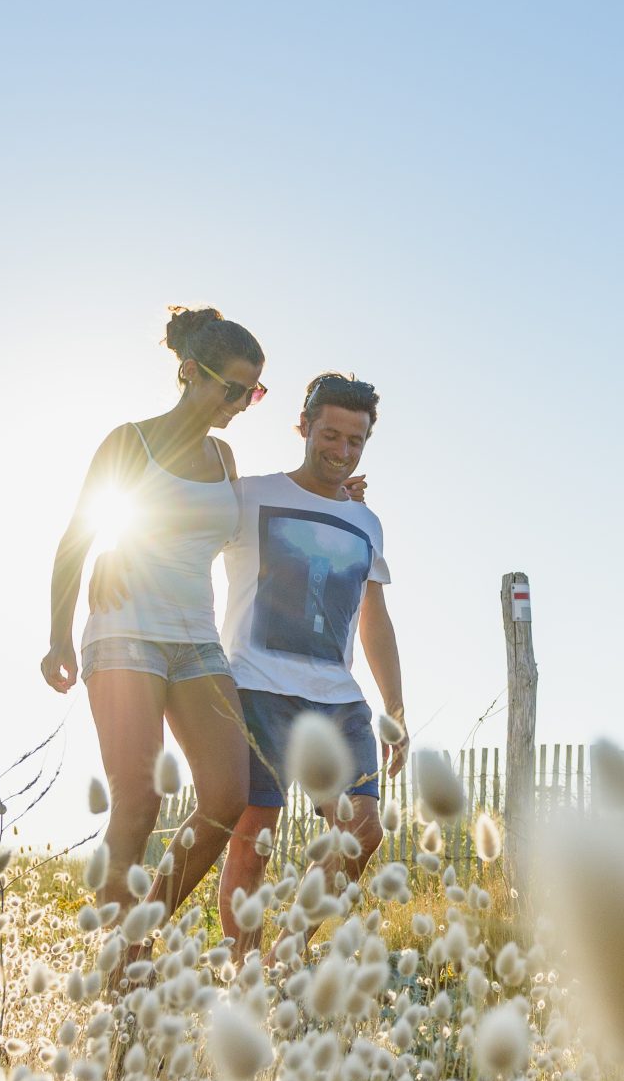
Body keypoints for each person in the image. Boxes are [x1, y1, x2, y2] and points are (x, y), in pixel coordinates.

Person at [40, 306, 264, 912]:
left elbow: (240, 534)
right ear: (191, 372)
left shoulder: (224, 461)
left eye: (253, 393)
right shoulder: (128, 441)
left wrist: (336, 496)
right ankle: (118, 972)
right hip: (124, 632)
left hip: (196, 637)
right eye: (234, 388)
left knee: (226, 794)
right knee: (138, 799)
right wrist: (59, 638)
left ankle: (139, 934)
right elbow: (76, 541)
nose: (241, 403)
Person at [214, 374, 406, 935]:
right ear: (303, 426)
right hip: (256, 688)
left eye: (355, 441)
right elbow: (177, 541)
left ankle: (283, 963)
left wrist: (395, 706)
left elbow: (375, 619)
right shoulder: (248, 495)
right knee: (256, 843)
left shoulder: (365, 522)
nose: (342, 452)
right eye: (330, 435)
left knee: (362, 829)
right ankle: (241, 971)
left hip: (338, 701)